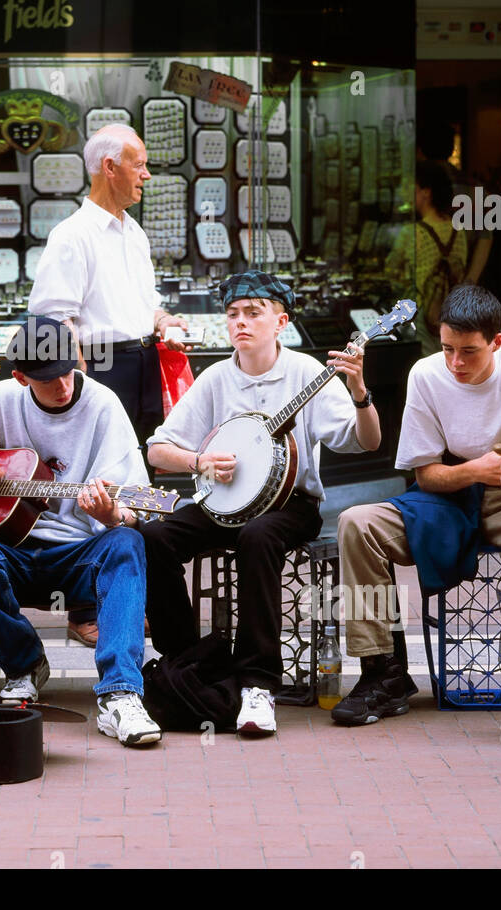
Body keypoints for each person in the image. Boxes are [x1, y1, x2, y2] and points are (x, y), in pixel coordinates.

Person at [334, 285, 501, 752]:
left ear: (496, 343)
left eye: (469, 351)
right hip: (450, 497)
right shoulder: (425, 373)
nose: (456, 363)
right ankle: (383, 673)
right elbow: (427, 474)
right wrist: (473, 470)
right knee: (357, 522)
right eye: (447, 349)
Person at [139, 271, 381, 737]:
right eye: (233, 315)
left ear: (281, 322)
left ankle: (257, 685)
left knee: (257, 536)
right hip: (223, 505)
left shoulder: (308, 373)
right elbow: (157, 449)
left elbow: (366, 443)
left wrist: (359, 392)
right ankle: (189, 659)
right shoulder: (215, 379)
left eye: (254, 313)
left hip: (290, 506)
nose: (241, 323)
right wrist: (200, 459)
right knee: (151, 536)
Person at [0, 315, 162, 746]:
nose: (63, 386)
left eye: (68, 372)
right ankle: (24, 664)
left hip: (79, 556)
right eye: (48, 380)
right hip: (11, 548)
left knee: (127, 541)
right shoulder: (0, 400)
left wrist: (112, 516)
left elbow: (136, 507)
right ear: (20, 377)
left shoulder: (104, 406)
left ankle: (121, 693)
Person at [28, 123, 188, 646]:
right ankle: (83, 609)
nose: (147, 173)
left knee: (135, 483)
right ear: (109, 168)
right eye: (138, 164)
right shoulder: (71, 235)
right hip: (97, 368)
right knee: (90, 481)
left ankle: (130, 596)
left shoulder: (133, 231)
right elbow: (54, 318)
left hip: (142, 363)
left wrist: (163, 321)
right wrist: (79, 388)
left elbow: (143, 301)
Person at [387, 160, 468, 355]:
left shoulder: (412, 232)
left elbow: (391, 269)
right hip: (453, 310)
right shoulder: (458, 229)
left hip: (422, 312)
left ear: (426, 192)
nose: (407, 192)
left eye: (411, 187)